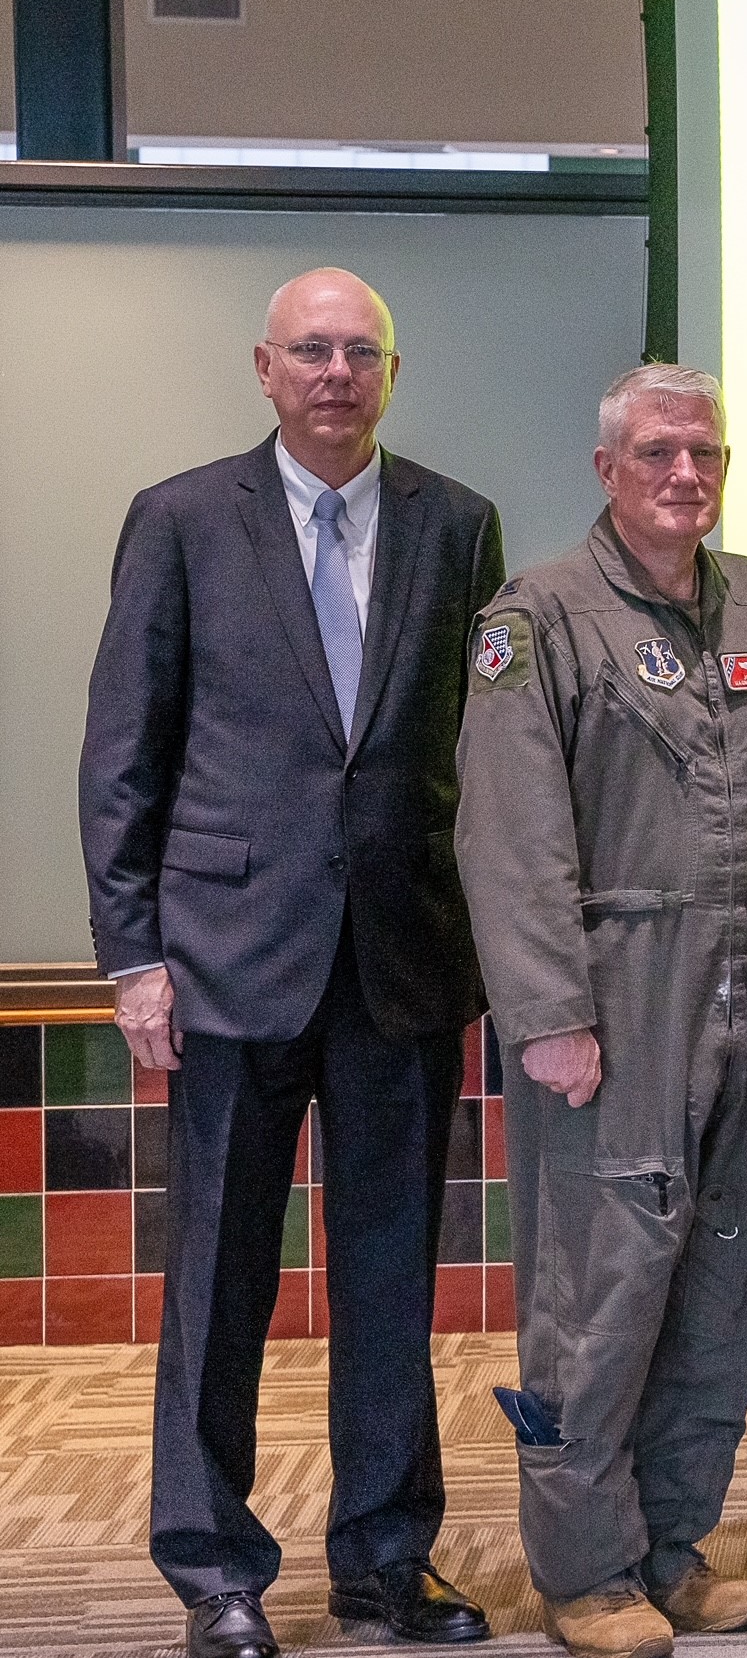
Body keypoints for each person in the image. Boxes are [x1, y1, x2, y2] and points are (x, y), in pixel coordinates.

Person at [80, 269, 502, 1658]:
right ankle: (214, 1570)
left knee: (392, 1283)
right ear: (266, 367)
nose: (336, 372)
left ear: (394, 369)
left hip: (399, 966)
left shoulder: (457, 525)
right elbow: (125, 750)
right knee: (220, 1284)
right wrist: (134, 953)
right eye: (310, 351)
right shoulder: (186, 518)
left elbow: (478, 762)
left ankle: (386, 1560)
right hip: (221, 967)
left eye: (360, 351)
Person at [454, 365, 747, 1658]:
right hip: (610, 996)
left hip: (734, 987)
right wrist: (547, 1009)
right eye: (659, 451)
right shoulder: (538, 616)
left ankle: (669, 1541)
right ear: (607, 466)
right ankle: (585, 1568)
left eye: (706, 450)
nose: (686, 473)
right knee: (599, 1290)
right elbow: (508, 832)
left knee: (726, 1286)